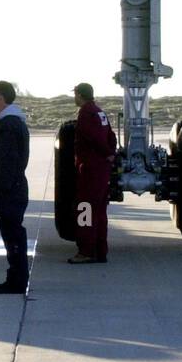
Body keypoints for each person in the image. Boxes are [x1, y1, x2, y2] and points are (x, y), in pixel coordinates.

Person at [0, 80, 30, 294]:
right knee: (13, 235)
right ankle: (16, 278)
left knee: (13, 236)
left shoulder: (9, 125)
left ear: (1, 97)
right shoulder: (12, 122)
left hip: (10, 191)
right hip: (12, 189)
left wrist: (2, 189)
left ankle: (17, 280)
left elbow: (8, 161)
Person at [70, 82, 116, 264]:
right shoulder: (99, 111)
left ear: (80, 95)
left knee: (85, 209)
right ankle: (100, 250)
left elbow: (93, 138)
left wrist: (105, 153)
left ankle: (86, 251)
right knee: (100, 211)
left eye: (75, 94)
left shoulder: (85, 113)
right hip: (102, 170)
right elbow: (110, 136)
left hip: (90, 170)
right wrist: (111, 154)